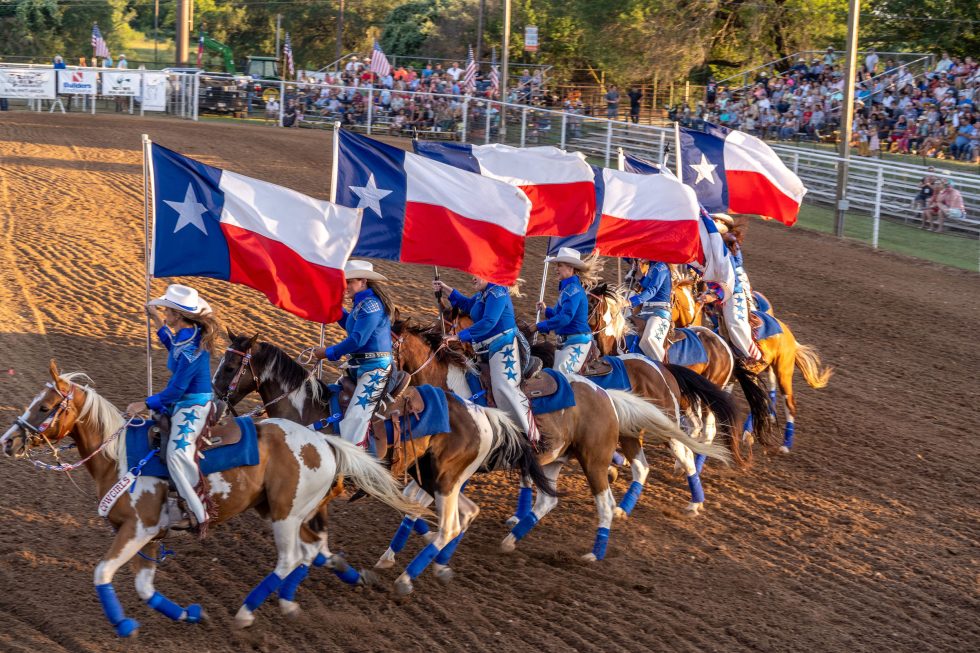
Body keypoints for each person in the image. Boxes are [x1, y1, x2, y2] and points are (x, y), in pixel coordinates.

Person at [125, 284, 220, 531]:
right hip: (181, 402)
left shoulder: (193, 349)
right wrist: (157, 320)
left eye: (167, 310)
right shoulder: (185, 336)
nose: (165, 311)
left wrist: (143, 403)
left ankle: (200, 515)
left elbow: (176, 391)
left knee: (177, 455)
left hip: (194, 406)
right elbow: (172, 347)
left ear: (178, 315)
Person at [434, 276, 535, 438]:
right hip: (484, 350)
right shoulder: (484, 294)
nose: (473, 278)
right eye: (472, 274)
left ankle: (530, 436)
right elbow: (467, 304)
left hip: (503, 347)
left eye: (477, 274)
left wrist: (459, 336)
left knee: (504, 388)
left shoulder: (497, 292)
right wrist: (445, 288)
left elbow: (489, 322)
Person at [314, 261, 394, 447]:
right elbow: (351, 323)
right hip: (360, 367)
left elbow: (357, 339)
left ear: (363, 281)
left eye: (349, 282)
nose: (345, 287)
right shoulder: (362, 304)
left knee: (355, 418)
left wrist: (328, 352)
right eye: (344, 282)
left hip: (375, 369)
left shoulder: (371, 306)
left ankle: (355, 464)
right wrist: (334, 308)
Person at [534, 248, 601, 375]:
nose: (556, 269)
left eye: (559, 265)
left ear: (570, 268)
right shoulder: (569, 289)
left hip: (577, 344)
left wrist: (539, 326)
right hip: (570, 343)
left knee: (560, 374)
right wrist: (546, 311)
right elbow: (560, 315)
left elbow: (565, 318)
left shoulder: (572, 290)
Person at [626, 258, 672, 361]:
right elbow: (646, 285)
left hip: (659, 312)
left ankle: (664, 369)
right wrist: (640, 277)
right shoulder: (652, 267)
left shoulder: (661, 267)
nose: (640, 257)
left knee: (648, 339)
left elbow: (652, 290)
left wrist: (631, 302)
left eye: (643, 253)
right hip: (645, 311)